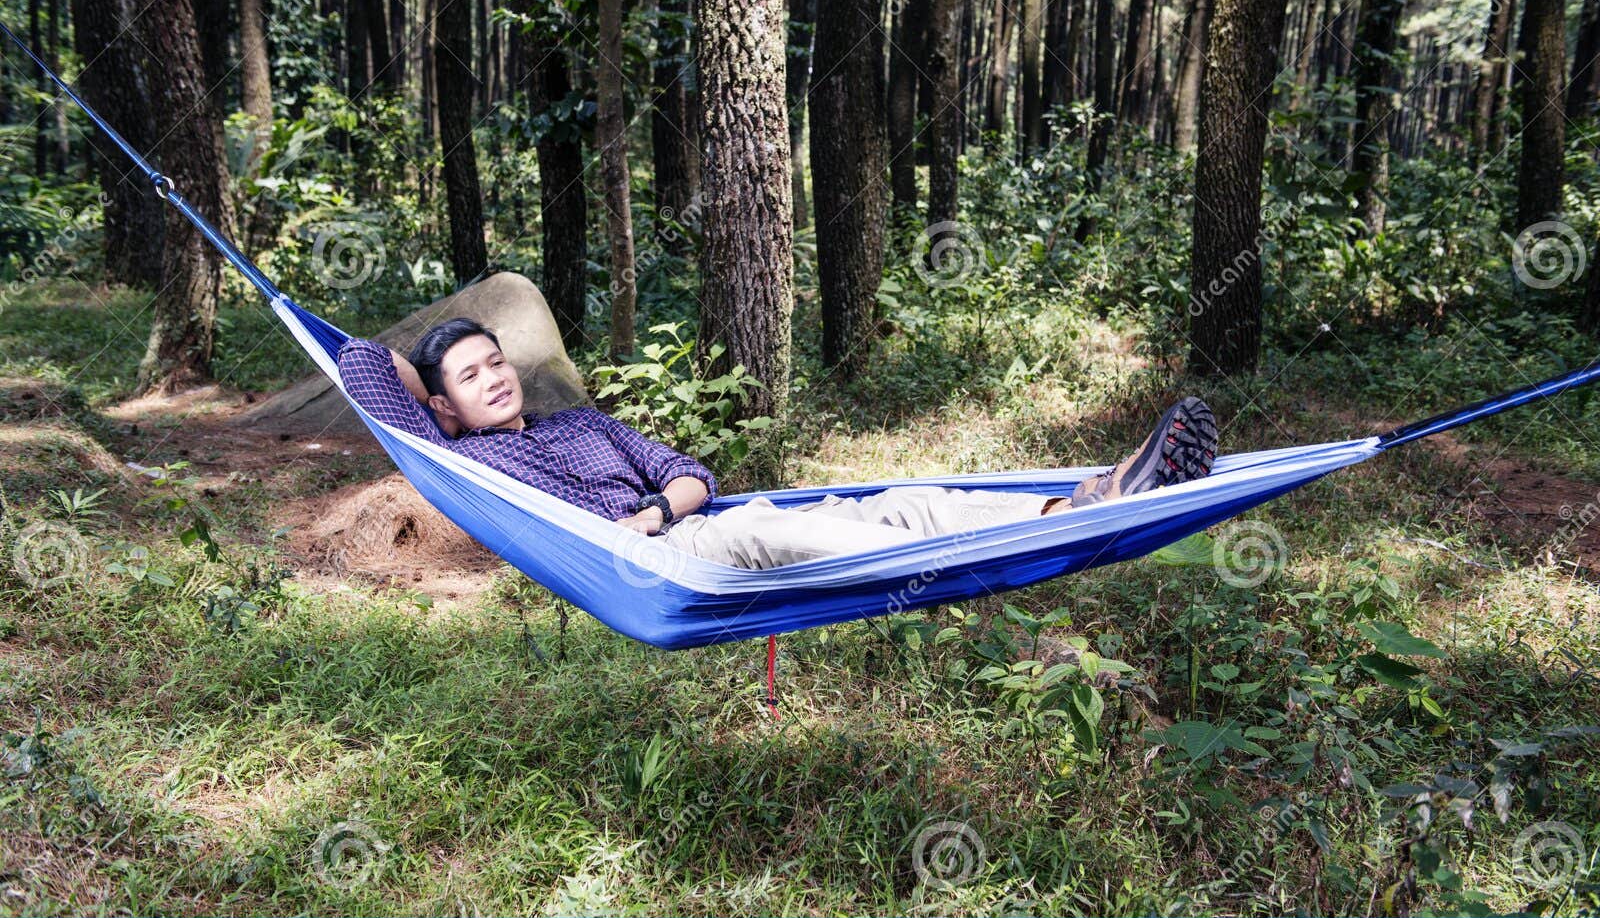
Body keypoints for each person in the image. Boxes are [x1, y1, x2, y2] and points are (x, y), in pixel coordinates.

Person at [336, 318, 1220, 570]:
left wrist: (654, 510)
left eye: (496, 361)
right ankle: (1006, 547)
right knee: (789, 531)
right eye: (470, 377)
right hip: (661, 566)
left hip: (689, 527)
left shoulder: (581, 422)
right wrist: (436, 403)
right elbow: (363, 363)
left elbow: (690, 473)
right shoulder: (467, 460)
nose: (495, 378)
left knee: (908, 501)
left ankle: (1076, 506)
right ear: (443, 406)